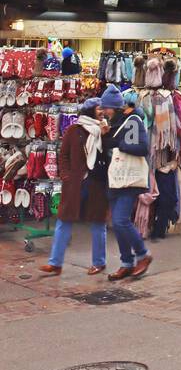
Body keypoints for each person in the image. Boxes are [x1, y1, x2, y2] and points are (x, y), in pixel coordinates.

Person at [38, 97, 109, 278]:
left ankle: (99, 262)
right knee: (64, 221)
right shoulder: (74, 130)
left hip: (96, 183)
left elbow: (109, 154)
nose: (102, 112)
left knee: (98, 223)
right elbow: (64, 156)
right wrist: (66, 176)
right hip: (75, 184)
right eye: (98, 108)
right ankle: (55, 263)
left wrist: (105, 135)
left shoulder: (106, 130)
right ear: (89, 110)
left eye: (103, 108)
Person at [103, 87, 153, 281]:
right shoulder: (115, 123)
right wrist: (107, 136)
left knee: (120, 220)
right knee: (117, 223)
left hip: (129, 178)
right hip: (117, 178)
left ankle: (143, 255)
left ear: (115, 107)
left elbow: (141, 147)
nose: (104, 111)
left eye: (107, 107)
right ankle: (126, 262)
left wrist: (117, 142)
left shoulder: (132, 120)